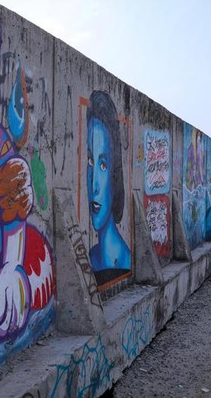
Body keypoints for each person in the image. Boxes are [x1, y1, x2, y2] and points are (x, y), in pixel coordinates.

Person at [86, 91, 130, 285]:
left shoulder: (124, 261)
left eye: (103, 165)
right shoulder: (91, 255)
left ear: (115, 174)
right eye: (90, 161)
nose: (94, 185)